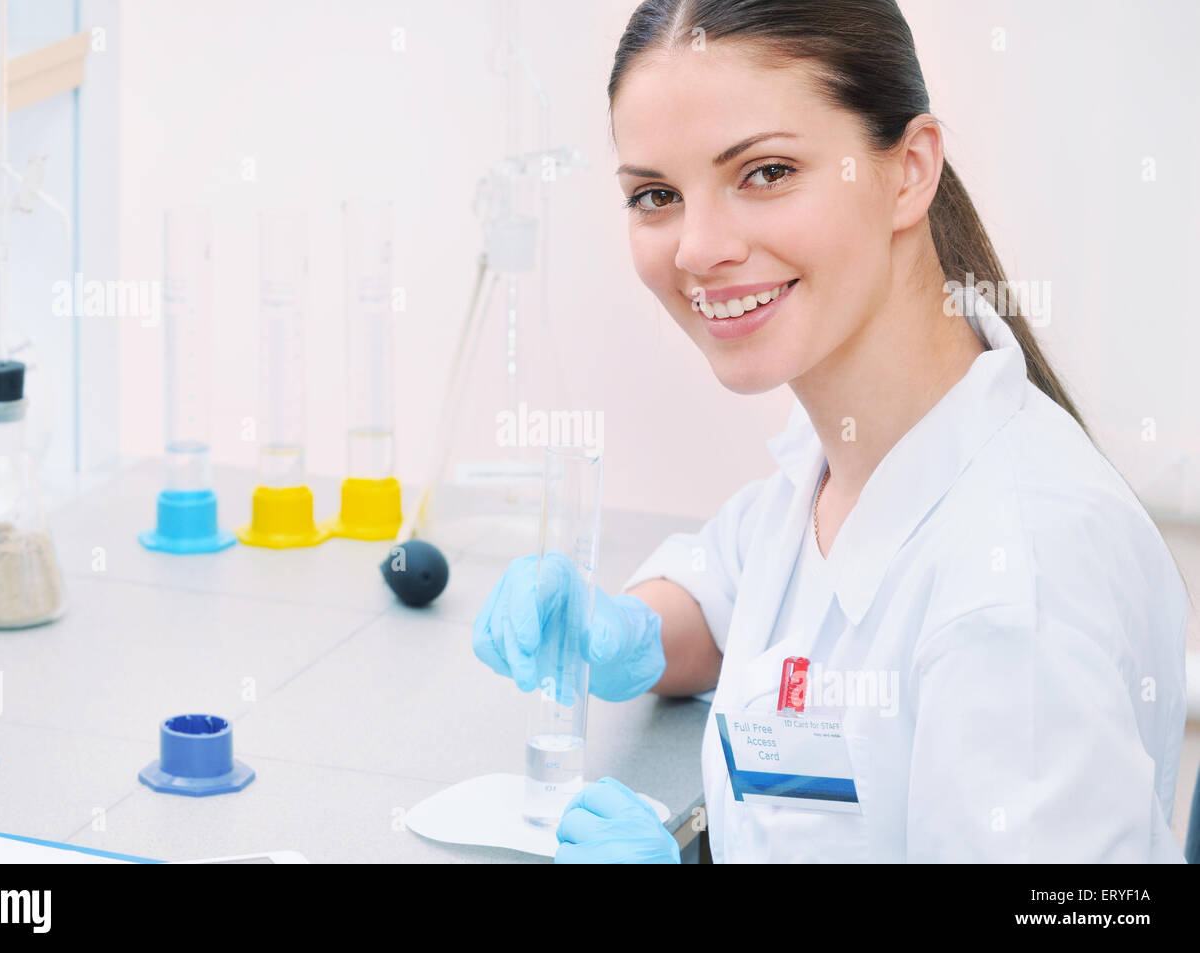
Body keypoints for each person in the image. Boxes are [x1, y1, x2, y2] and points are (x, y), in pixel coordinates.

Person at [472, 0, 1192, 863]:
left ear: (909, 170)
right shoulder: (850, 454)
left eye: (766, 172)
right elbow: (742, 589)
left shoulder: (1013, 588)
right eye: (656, 195)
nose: (698, 248)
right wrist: (625, 633)